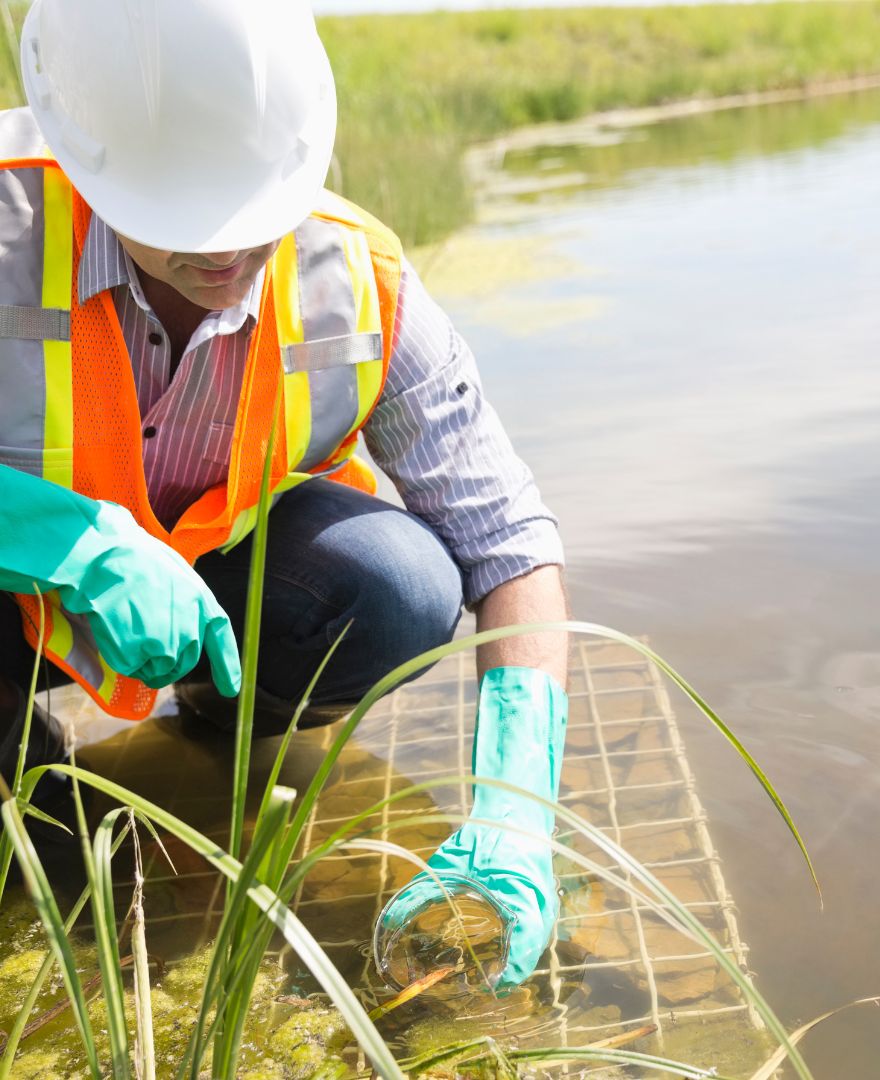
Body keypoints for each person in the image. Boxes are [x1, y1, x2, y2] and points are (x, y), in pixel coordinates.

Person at [0, 0, 569, 990]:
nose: (223, 256)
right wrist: (66, 538)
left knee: (400, 584)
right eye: (177, 225)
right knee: (33, 865)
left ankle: (222, 721)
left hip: (216, 584)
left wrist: (517, 807)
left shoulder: (357, 272)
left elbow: (507, 539)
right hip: (15, 598)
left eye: (253, 216)